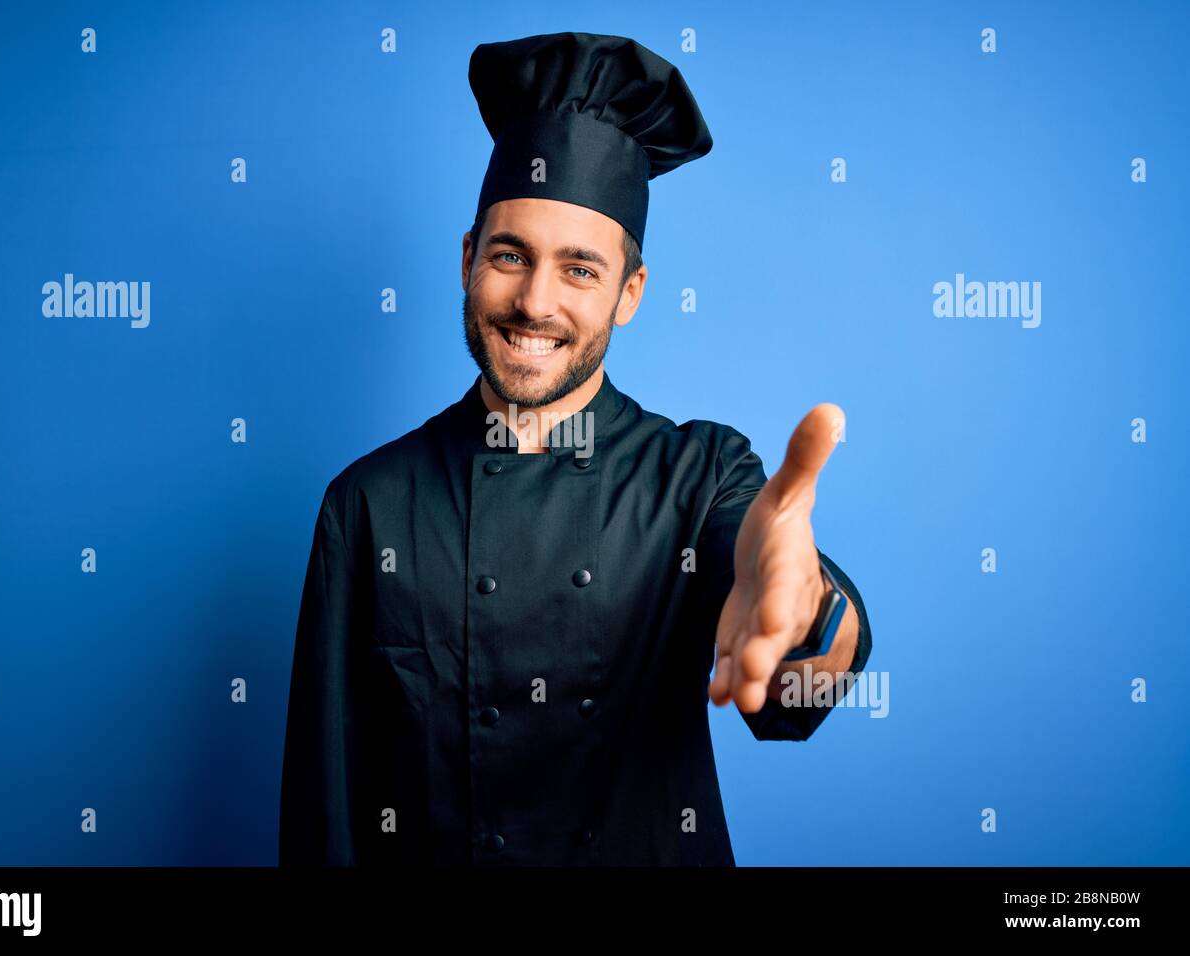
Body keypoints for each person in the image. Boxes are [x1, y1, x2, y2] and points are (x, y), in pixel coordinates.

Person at [279, 31, 872, 866]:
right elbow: (322, 806)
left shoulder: (698, 478)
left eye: (581, 270)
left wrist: (804, 609)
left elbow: (795, 688)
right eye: (510, 255)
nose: (534, 302)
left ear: (629, 293)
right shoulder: (368, 502)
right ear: (466, 261)